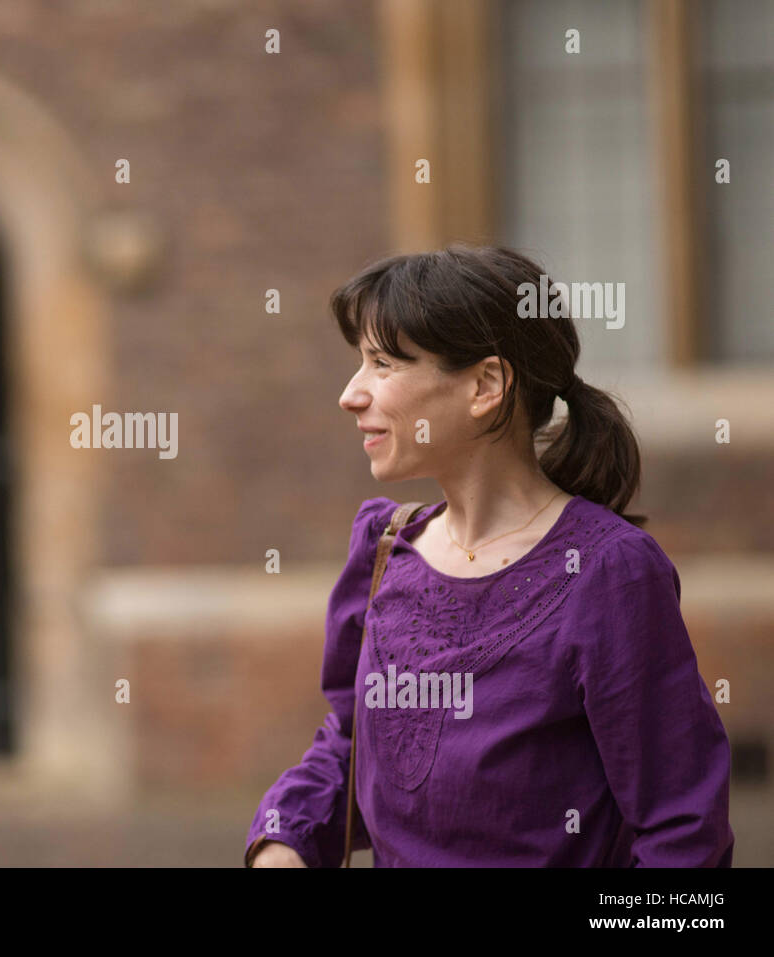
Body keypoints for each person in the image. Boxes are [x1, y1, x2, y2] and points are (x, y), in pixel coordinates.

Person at [245, 245, 734, 867]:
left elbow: (682, 833)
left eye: (382, 364)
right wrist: (284, 841)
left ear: (485, 385)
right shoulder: (384, 550)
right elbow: (348, 744)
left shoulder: (610, 573)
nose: (351, 394)